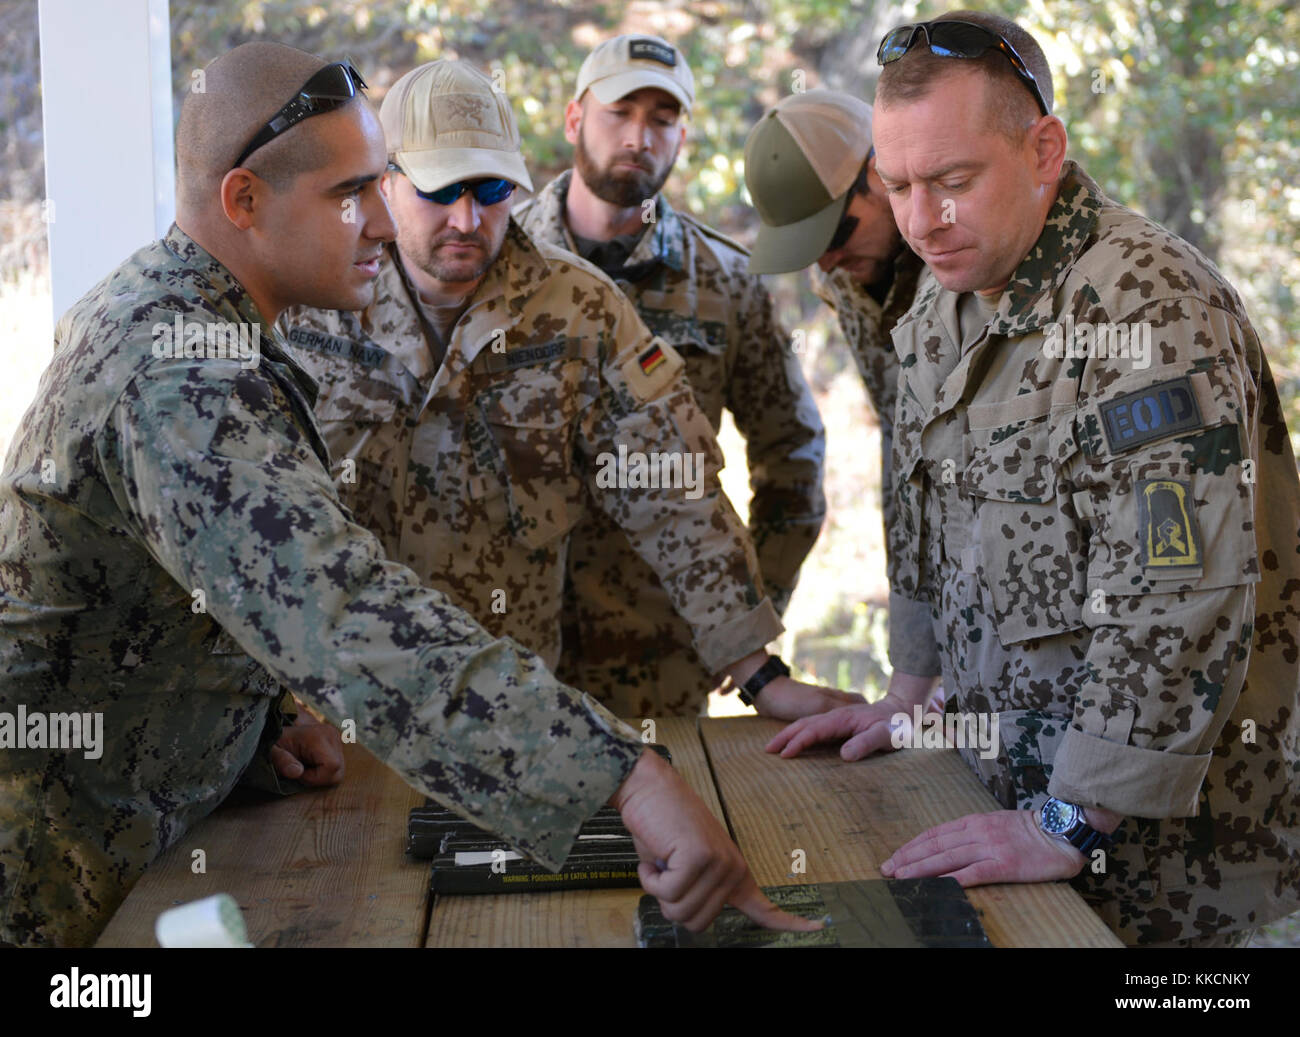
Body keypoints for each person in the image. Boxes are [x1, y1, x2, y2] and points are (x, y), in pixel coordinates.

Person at [0, 42, 816, 947]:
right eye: (357, 194)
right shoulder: (179, 370)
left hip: (164, 822)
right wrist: (620, 776)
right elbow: (337, 609)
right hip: (57, 876)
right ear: (245, 201)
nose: (385, 224)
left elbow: (205, 583)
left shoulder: (206, 320)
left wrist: (260, 715)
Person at [768, 10, 1300, 947]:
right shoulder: (943, 299)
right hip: (1008, 820)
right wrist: (912, 683)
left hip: (1175, 876)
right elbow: (919, 499)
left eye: (953, 181)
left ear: (1044, 149)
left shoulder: (1146, 310)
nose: (920, 220)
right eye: (895, 186)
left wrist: (1072, 815)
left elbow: (1179, 591)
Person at [283, 58, 855, 725]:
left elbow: (671, 492)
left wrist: (757, 672)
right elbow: (247, 513)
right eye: (440, 190)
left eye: (491, 188)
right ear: (386, 183)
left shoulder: (581, 308)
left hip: (514, 715)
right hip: (343, 711)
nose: (468, 220)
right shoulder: (308, 304)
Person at [515, 34, 827, 718]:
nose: (639, 135)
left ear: (682, 134)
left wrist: (743, 620)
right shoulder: (498, 266)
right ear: (574, 119)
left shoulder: (725, 282)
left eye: (662, 117)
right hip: (508, 650)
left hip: (658, 660)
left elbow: (792, 456)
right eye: (621, 110)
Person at [743, 88, 943, 709]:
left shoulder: (966, 263)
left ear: (883, 173)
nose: (827, 259)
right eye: (810, 246)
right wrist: (913, 670)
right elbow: (907, 458)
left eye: (835, 231)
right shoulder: (842, 275)